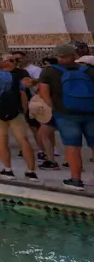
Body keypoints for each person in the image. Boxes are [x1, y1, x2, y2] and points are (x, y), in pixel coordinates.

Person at [39, 43, 94, 190]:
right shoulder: (89, 70)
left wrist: (55, 109)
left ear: (57, 56)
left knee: (72, 147)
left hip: (66, 114)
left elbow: (44, 94)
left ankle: (76, 180)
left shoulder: (49, 72)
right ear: (74, 54)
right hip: (91, 112)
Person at [0, 54, 38, 181]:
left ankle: (8, 170)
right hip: (15, 110)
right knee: (24, 141)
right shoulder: (12, 76)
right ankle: (31, 171)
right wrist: (24, 109)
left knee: (2, 141)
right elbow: (22, 94)